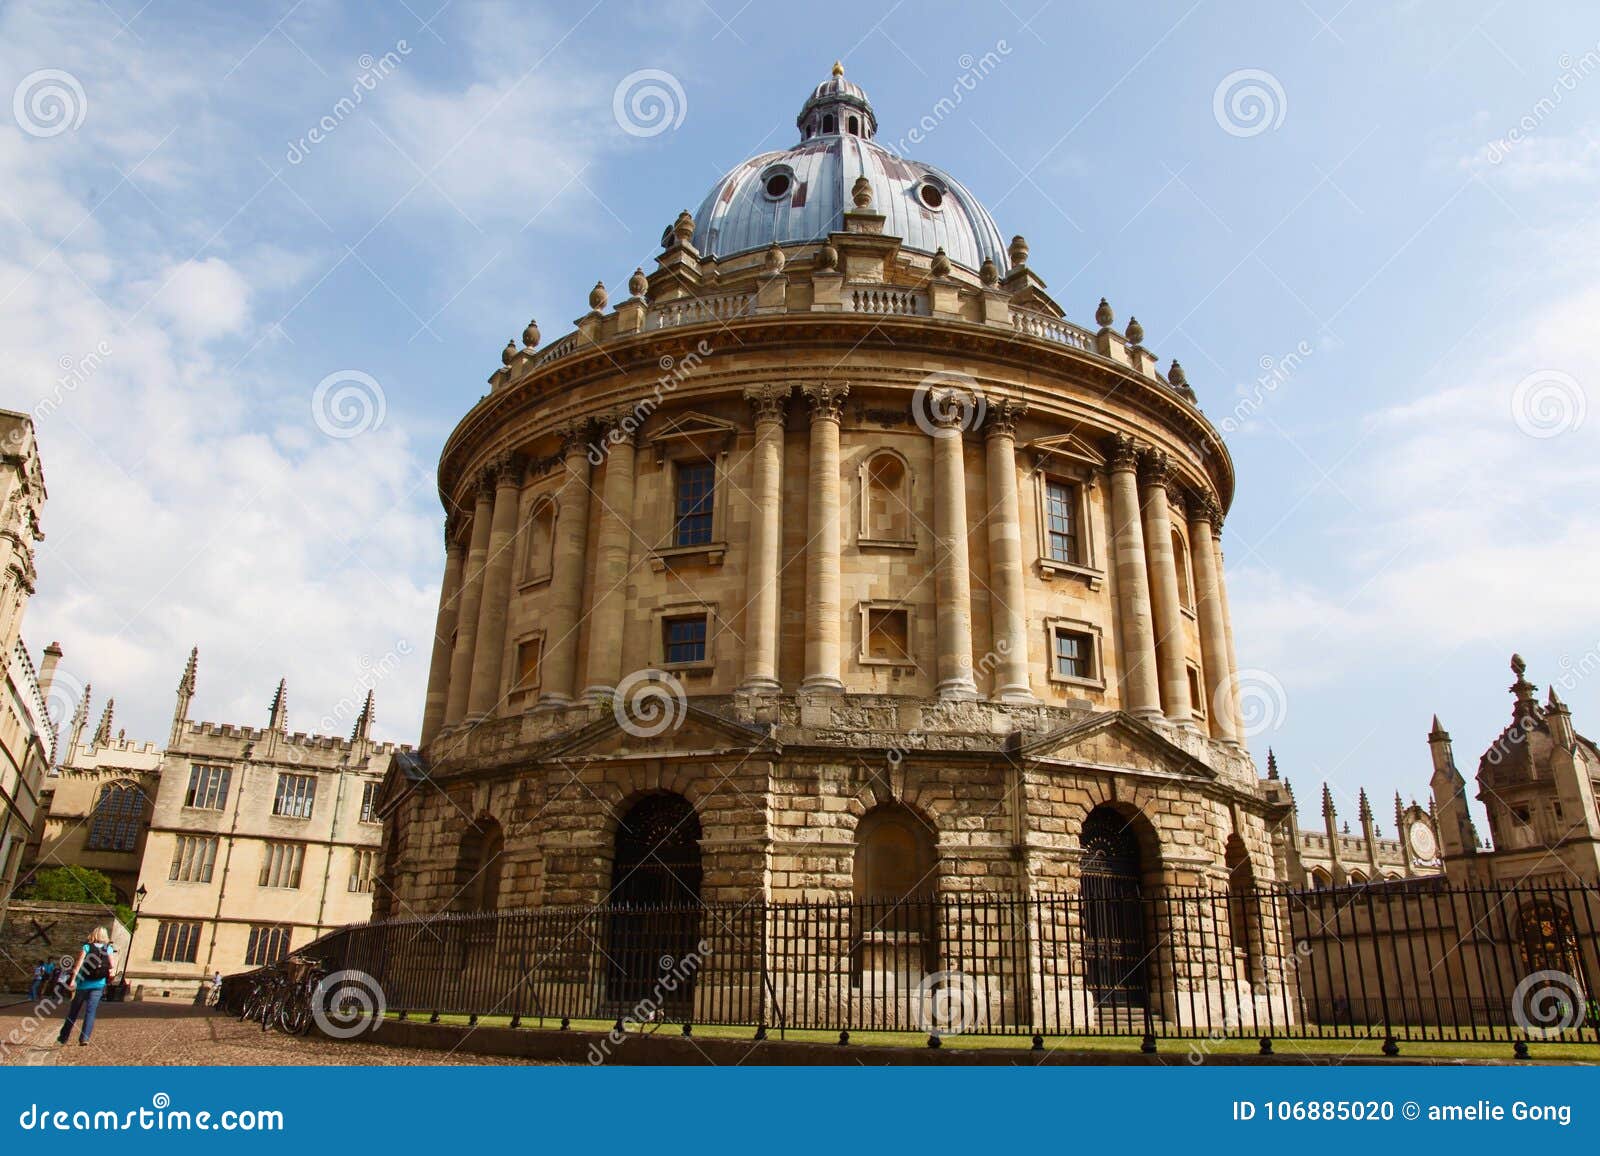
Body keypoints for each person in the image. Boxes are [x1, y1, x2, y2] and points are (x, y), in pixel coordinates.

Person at [56, 927, 117, 1047]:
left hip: (83, 984)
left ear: (93, 935)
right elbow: (112, 965)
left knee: (73, 1011)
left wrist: (73, 980)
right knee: (91, 1012)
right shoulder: (108, 949)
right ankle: (84, 1038)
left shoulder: (87, 947)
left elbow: (78, 965)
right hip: (99, 984)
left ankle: (63, 1037)